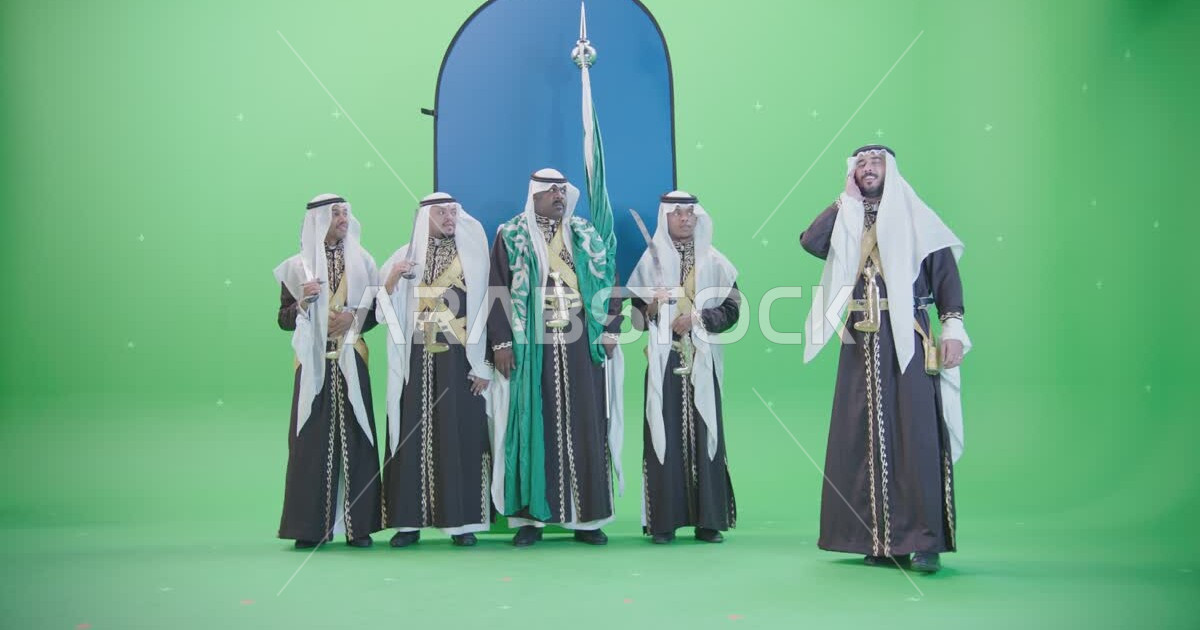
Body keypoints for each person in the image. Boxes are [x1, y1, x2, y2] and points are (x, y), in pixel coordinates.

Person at [800, 145, 972, 573]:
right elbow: (810, 242)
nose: (868, 169)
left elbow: (945, 276)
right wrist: (846, 201)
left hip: (907, 341)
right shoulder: (847, 219)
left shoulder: (917, 216)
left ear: (890, 170)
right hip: (859, 343)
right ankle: (877, 540)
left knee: (915, 437)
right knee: (859, 436)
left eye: (876, 163)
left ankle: (924, 541)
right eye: (860, 164)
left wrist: (952, 328)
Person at [487, 168, 624, 547]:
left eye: (562, 191)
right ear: (534, 196)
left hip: (582, 341)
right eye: (551, 192)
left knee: (586, 422)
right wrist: (500, 343)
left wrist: (611, 327)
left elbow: (609, 278)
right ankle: (530, 520)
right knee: (533, 422)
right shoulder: (511, 234)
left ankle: (588, 518)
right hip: (530, 343)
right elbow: (497, 286)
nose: (558, 196)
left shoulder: (585, 234)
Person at [377, 193, 493, 548]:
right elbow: (382, 312)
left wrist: (484, 364)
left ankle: (464, 522)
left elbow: (490, 311)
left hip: (461, 359)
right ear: (424, 217)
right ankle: (407, 523)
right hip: (415, 356)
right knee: (412, 436)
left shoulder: (474, 257)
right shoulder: (403, 256)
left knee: (461, 434)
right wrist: (393, 280)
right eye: (440, 212)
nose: (448, 218)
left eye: (453, 212)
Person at [628, 191, 740, 544]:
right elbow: (633, 317)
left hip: (703, 356)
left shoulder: (716, 262)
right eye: (677, 213)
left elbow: (733, 311)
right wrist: (653, 306)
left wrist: (697, 318)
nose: (685, 219)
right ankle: (664, 521)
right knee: (665, 429)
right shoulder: (649, 263)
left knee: (706, 430)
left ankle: (709, 520)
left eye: (690, 213)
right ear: (666, 218)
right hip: (664, 357)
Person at [273, 193, 382, 548]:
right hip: (313, 363)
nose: (342, 219)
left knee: (358, 436)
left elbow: (378, 313)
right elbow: (284, 319)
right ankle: (309, 528)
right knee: (309, 441)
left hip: (352, 357)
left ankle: (359, 527)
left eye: (345, 213)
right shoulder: (296, 268)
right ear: (318, 220)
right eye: (335, 214)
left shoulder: (363, 262)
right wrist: (304, 303)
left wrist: (354, 318)